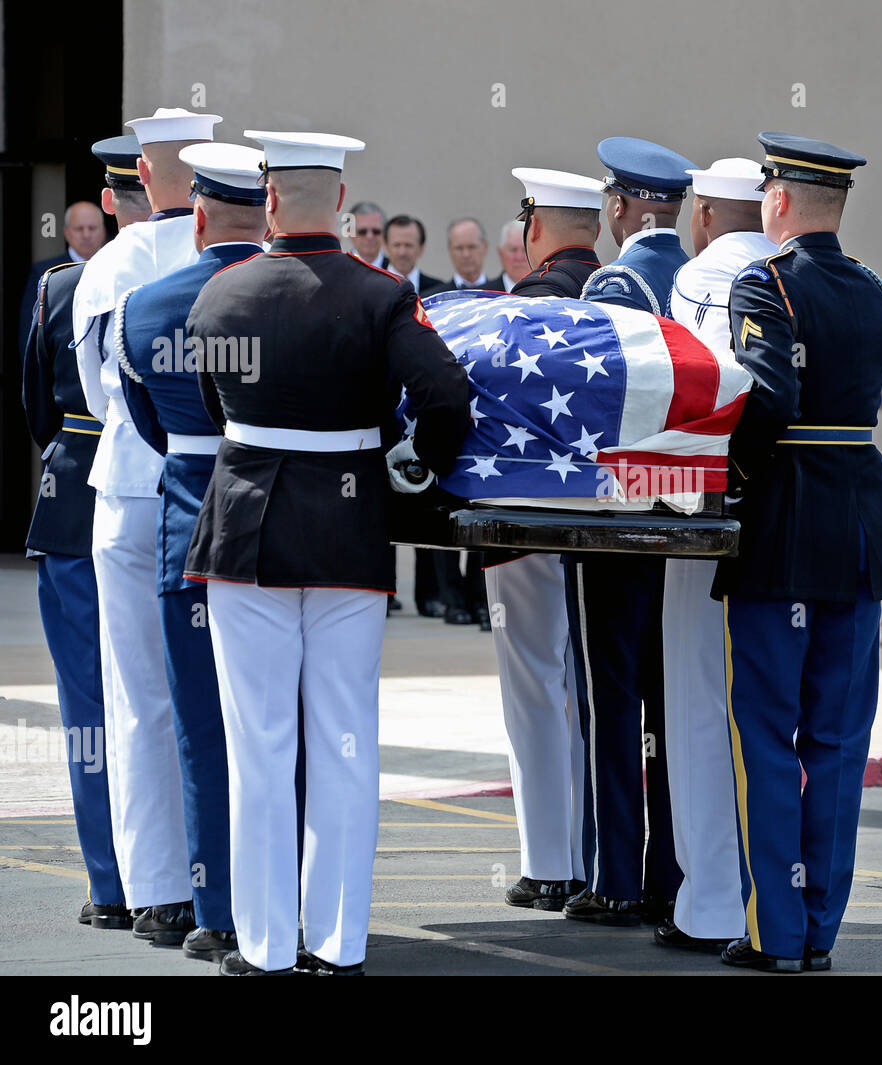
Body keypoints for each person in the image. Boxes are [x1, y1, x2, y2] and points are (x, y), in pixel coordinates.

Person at [182, 130, 468, 975]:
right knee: (345, 738)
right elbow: (445, 391)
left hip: (247, 531)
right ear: (340, 202)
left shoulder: (223, 295)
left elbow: (209, 406)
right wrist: (416, 463)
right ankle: (337, 945)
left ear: (269, 200)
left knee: (260, 746)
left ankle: (266, 947)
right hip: (347, 531)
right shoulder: (380, 295)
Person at [716, 132, 882, 972]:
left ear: (780, 201)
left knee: (764, 730)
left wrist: (733, 477)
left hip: (785, 524)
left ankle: (775, 930)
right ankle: (819, 928)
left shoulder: (766, 283)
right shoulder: (874, 291)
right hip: (859, 523)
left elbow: (768, 393)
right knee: (836, 737)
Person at [115, 142, 269, 964]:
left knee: (200, 729)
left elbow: (151, 426)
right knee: (287, 731)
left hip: (187, 522)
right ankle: (286, 905)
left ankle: (216, 909)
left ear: (197, 215)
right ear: (269, 210)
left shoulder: (146, 307)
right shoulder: (297, 294)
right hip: (283, 531)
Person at [72, 106, 220, 947]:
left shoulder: (113, 263)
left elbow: (99, 396)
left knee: (138, 698)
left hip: (130, 485)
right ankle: (223, 888)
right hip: (217, 487)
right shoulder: (228, 253)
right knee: (219, 696)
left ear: (141, 180)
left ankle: (157, 889)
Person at [562, 137, 696, 928]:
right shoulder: (703, 274)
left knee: (614, 700)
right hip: (683, 515)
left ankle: (618, 874)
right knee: (669, 704)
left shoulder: (619, 281)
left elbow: (595, 400)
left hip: (621, 521)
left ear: (618, 208)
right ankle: (672, 870)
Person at [20, 136, 146, 933]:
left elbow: (39, 406)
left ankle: (110, 881)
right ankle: (179, 878)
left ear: (107, 202)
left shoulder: (62, 286)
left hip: (73, 498)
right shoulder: (194, 278)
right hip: (162, 497)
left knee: (91, 711)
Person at [655, 157, 776, 952]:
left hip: (697, 504)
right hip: (778, 507)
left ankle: (707, 902)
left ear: (702, 213)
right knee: (766, 711)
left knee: (696, 701)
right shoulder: (790, 273)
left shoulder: (692, 277)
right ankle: (772, 899)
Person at [488, 168, 603, 911]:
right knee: (600, 696)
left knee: (534, 686)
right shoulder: (631, 291)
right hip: (620, 524)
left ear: (535, 227)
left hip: (530, 521)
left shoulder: (530, 303)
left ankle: (550, 862)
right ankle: (606, 861)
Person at [19, 202, 107, 351]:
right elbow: (30, 331)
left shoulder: (115, 266)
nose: (86, 235)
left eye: (92, 228)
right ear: (67, 233)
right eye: (79, 229)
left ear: (103, 231)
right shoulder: (45, 272)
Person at [434, 217, 500, 291]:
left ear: (485, 247)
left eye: (472, 247)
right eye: (459, 248)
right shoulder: (434, 300)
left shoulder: (502, 297)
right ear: (450, 250)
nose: (466, 254)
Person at [384, 214, 443, 295]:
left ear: (421, 249)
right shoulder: (371, 288)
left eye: (408, 245)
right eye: (396, 245)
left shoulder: (438, 291)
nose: (402, 252)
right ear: (386, 247)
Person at [346, 200, 387, 268]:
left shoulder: (396, 269)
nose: (369, 236)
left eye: (376, 231)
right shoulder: (339, 268)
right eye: (362, 231)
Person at [495, 219, 529, 293]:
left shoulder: (549, 295)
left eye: (525, 250)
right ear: (501, 253)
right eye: (513, 250)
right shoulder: (481, 296)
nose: (519, 257)